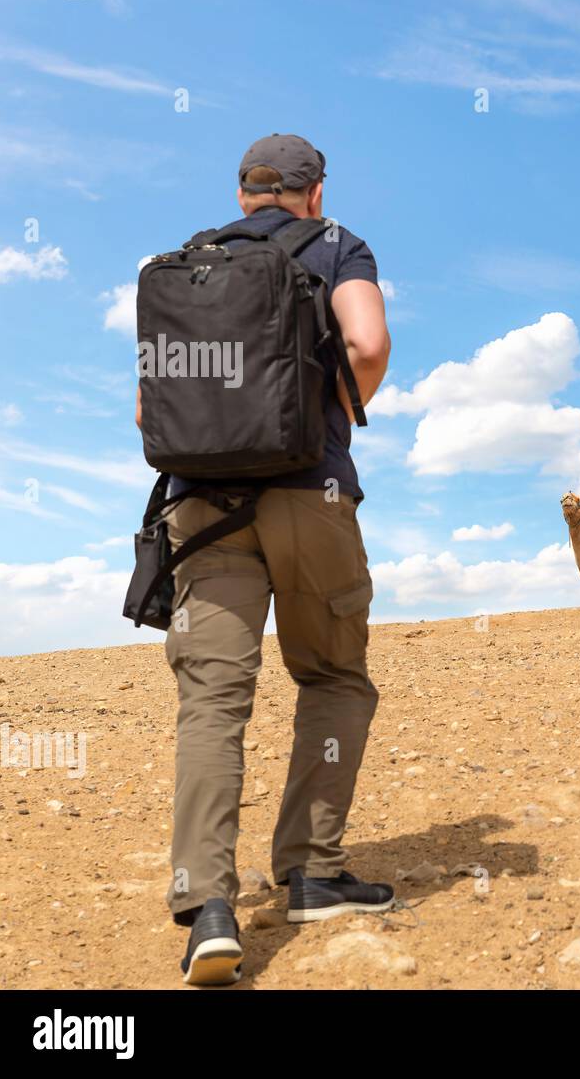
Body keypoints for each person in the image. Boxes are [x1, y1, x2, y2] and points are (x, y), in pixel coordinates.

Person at [137, 134, 393, 985]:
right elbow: (367, 345)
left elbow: (148, 406)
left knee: (212, 703)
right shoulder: (335, 247)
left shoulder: (188, 264)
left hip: (202, 507)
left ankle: (207, 905)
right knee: (331, 676)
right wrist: (327, 414)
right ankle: (314, 875)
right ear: (314, 192)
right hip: (310, 494)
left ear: (243, 192)